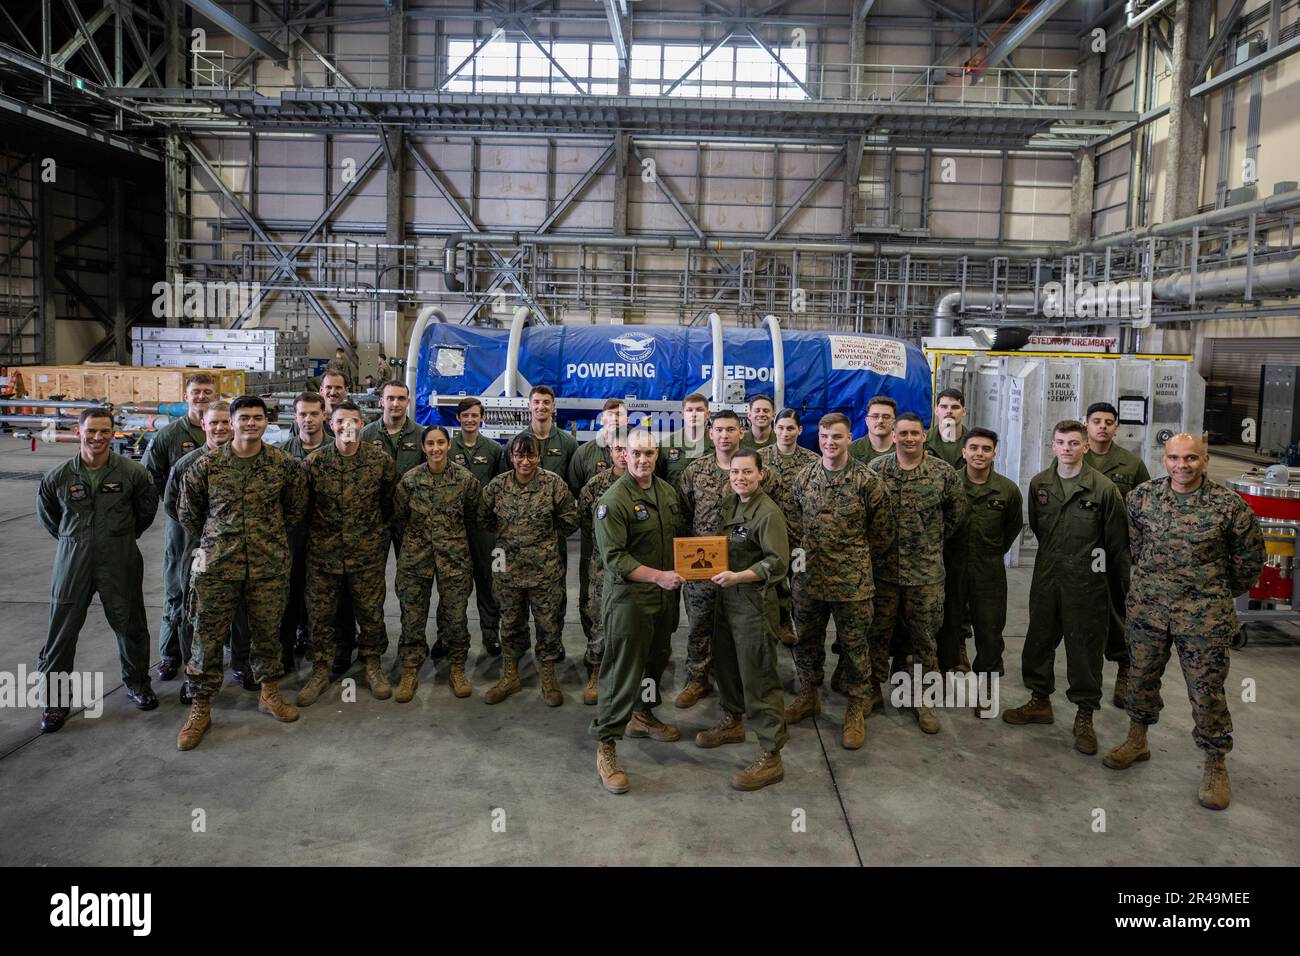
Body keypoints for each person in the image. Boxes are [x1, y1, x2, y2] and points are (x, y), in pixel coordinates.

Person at [1103, 434, 1264, 811]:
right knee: (1140, 678)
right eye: (1174, 457)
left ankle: (1215, 761)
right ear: (1164, 458)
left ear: (1205, 460)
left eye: (1191, 458)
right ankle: (1137, 739)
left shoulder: (1229, 507)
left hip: (1203, 617)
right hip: (1149, 610)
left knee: (1206, 691)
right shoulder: (1143, 498)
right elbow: (1134, 546)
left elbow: (1248, 564)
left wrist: (1210, 592)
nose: (1182, 465)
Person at [175, 396, 307, 750]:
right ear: (230, 423)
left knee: (267, 631)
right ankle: (201, 706)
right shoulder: (206, 466)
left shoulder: (283, 466)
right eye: (244, 418)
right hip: (218, 564)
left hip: (267, 564)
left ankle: (269, 692)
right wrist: (221, 538)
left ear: (267, 422)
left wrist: (268, 540)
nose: (251, 423)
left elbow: (295, 511)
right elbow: (189, 514)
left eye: (258, 418)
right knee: (207, 633)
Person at [1003, 420, 1130, 756]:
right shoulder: (1040, 483)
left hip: (1088, 582)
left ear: (1085, 446)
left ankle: (1084, 715)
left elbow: (1116, 546)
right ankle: (1039, 701)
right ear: (1053, 444)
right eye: (1061, 442)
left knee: (1084, 650)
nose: (1067, 449)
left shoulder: (1103, 489)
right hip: (1047, 575)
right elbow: (1040, 528)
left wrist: (1109, 584)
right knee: (1039, 639)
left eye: (1074, 443)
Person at [35, 407, 160, 733]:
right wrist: (75, 541)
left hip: (120, 557)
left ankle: (137, 684)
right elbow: (50, 518)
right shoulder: (58, 477)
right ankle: (55, 703)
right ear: (79, 431)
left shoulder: (132, 473)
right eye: (91, 431)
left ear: (113, 432)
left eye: (104, 431)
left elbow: (145, 512)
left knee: (130, 623)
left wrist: (116, 537)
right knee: (60, 633)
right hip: (72, 560)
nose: (98, 437)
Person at [785, 413, 889, 750]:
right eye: (826, 436)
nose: (830, 442)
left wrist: (854, 557)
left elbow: (882, 533)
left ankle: (857, 706)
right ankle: (808, 694)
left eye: (838, 437)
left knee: (856, 646)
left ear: (849, 438)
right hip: (809, 578)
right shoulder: (804, 477)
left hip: (852, 581)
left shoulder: (866, 481)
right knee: (807, 641)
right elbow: (794, 525)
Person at [590, 430, 685, 794]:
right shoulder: (613, 501)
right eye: (635, 454)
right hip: (631, 600)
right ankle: (607, 744)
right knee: (622, 670)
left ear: (656, 454)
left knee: (655, 661)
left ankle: (643, 715)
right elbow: (615, 559)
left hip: (663, 598)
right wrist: (659, 576)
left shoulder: (665, 492)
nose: (642, 460)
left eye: (648, 453)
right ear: (623, 456)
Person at [867, 412, 969, 735]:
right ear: (893, 436)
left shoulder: (943, 474)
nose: (909, 439)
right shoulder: (876, 471)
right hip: (883, 573)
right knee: (877, 634)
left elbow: (955, 515)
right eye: (904, 433)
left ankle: (922, 699)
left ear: (925, 436)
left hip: (925, 574)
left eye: (915, 433)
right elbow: (867, 515)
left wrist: (930, 542)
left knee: (925, 639)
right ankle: (870, 691)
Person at [696, 448, 790, 791]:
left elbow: (777, 563)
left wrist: (740, 577)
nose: (740, 477)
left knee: (759, 676)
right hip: (727, 601)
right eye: (735, 472)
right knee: (727, 666)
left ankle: (771, 753)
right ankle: (733, 721)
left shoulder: (767, 513)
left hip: (753, 603)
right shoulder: (731, 505)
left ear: (761, 474)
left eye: (747, 472)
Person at [296, 402, 398, 707]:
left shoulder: (379, 462)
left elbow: (390, 505)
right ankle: (319, 670)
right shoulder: (314, 464)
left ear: (362, 423)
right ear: (331, 424)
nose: (346, 426)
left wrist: (375, 537)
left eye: (352, 420)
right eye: (340, 421)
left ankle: (373, 665)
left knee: (370, 613)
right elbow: (301, 509)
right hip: (323, 558)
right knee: (321, 616)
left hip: (366, 555)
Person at [676, 409, 773, 708]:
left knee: (739, 628)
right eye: (718, 430)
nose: (724, 435)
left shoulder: (757, 470)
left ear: (741, 432)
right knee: (700, 624)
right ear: (710, 434)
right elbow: (683, 513)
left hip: (743, 565)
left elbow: (769, 513)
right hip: (702, 565)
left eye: (730, 429)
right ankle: (697, 678)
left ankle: (734, 679)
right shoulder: (695, 470)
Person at [479, 433, 579, 707]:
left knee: (547, 624)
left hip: (544, 570)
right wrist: (509, 540)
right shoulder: (498, 486)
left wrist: (546, 540)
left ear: (539, 456)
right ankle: (510, 675)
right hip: (507, 570)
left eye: (530, 455)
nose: (525, 461)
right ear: (511, 457)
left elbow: (571, 517)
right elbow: (483, 516)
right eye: (520, 455)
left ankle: (548, 677)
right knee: (510, 623)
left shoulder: (552, 484)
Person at [163, 402, 251, 704]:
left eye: (226, 422)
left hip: (237, 550)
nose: (220, 428)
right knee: (194, 612)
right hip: (198, 549)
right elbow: (174, 507)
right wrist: (209, 535)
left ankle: (241, 664)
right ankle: (194, 672)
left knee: (242, 609)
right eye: (214, 423)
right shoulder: (189, 464)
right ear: (204, 425)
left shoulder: (246, 458)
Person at [393, 425, 483, 702]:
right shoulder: (410, 480)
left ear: (448, 445)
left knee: (455, 617)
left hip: (454, 559)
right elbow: (398, 518)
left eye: (440, 443)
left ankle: (456, 667)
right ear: (423, 447)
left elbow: (473, 516)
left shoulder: (465, 480)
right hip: (415, 558)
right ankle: (410, 669)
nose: (435, 448)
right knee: (412, 616)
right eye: (430, 444)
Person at [142, 372, 215, 683]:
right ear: (186, 396)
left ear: (216, 396)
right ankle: (170, 654)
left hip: (218, 527)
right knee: (177, 589)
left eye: (207, 392)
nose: (201, 397)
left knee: (212, 590)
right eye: (196, 392)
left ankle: (206, 652)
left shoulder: (224, 430)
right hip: (181, 529)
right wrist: (174, 509)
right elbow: (149, 478)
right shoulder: (170, 435)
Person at [936, 427, 1023, 677]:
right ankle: (944, 673)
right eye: (973, 448)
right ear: (964, 452)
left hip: (989, 571)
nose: (979, 454)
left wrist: (991, 552)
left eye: (986, 449)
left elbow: (1012, 527)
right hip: (950, 567)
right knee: (946, 625)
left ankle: (986, 686)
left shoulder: (1007, 490)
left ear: (994, 454)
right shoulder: (948, 484)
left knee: (990, 629)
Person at [1083, 400, 1153, 708]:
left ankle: (1125, 670)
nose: (1102, 426)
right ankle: (1085, 677)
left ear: (1116, 427)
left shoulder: (1130, 464)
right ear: (1086, 424)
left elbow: (1145, 510)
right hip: (1079, 548)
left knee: (1119, 610)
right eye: (1096, 421)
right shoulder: (1073, 456)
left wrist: (1135, 550)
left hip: (1115, 550)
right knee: (1078, 610)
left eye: (1108, 422)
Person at [569, 398, 629, 671]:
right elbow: (577, 499)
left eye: (621, 415)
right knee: (591, 598)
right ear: (601, 418)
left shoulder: (638, 448)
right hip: (594, 546)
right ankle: (595, 653)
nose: (616, 419)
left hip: (632, 547)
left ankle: (625, 659)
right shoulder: (585, 453)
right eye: (611, 415)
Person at [450, 397, 505, 658]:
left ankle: (491, 633)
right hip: (453, 527)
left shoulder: (494, 450)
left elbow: (502, 487)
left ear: (482, 417)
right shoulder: (448, 447)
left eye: (475, 415)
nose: (470, 419)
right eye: (465, 415)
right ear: (458, 418)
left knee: (488, 580)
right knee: (453, 584)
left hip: (485, 528)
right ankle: (447, 635)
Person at [575, 437, 628, 705]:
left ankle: (629, 673)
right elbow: (584, 520)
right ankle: (595, 669)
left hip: (636, 568)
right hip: (602, 566)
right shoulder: (595, 486)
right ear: (610, 452)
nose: (624, 455)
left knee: (632, 621)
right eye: (619, 449)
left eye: (629, 449)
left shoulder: (647, 484)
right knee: (598, 618)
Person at [760, 408, 817, 646]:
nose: (785, 433)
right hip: (769, 536)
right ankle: (780, 623)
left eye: (791, 428)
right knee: (772, 582)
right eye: (781, 427)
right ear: (774, 429)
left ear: (800, 430)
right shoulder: (759, 458)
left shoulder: (812, 461)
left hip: (798, 537)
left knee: (800, 583)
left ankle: (800, 627)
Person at [282, 392, 330, 662]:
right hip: (292, 536)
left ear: (324, 414)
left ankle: (321, 648)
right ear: (295, 416)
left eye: (314, 413)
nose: (308, 419)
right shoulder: (282, 454)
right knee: (289, 593)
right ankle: (285, 650)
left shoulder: (337, 451)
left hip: (327, 536)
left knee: (324, 596)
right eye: (303, 414)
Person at [360, 381, 425, 478]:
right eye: (390, 398)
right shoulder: (366, 434)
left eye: (401, 398)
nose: (395, 404)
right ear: (381, 401)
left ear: (408, 402)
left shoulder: (421, 434)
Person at [657, 392, 714, 485]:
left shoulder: (718, 444)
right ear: (682, 414)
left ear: (708, 414)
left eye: (699, 410)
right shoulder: (665, 445)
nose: (694, 414)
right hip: (673, 499)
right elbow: (657, 481)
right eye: (689, 410)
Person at [925, 388, 968, 469]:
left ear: (964, 411)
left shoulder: (975, 444)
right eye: (944, 407)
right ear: (936, 410)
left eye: (955, 407)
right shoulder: (922, 443)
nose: (949, 411)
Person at [849, 395, 897, 466]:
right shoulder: (850, 451)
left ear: (894, 423)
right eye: (875, 416)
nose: (880, 421)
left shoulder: (905, 450)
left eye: (886, 417)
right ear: (867, 421)